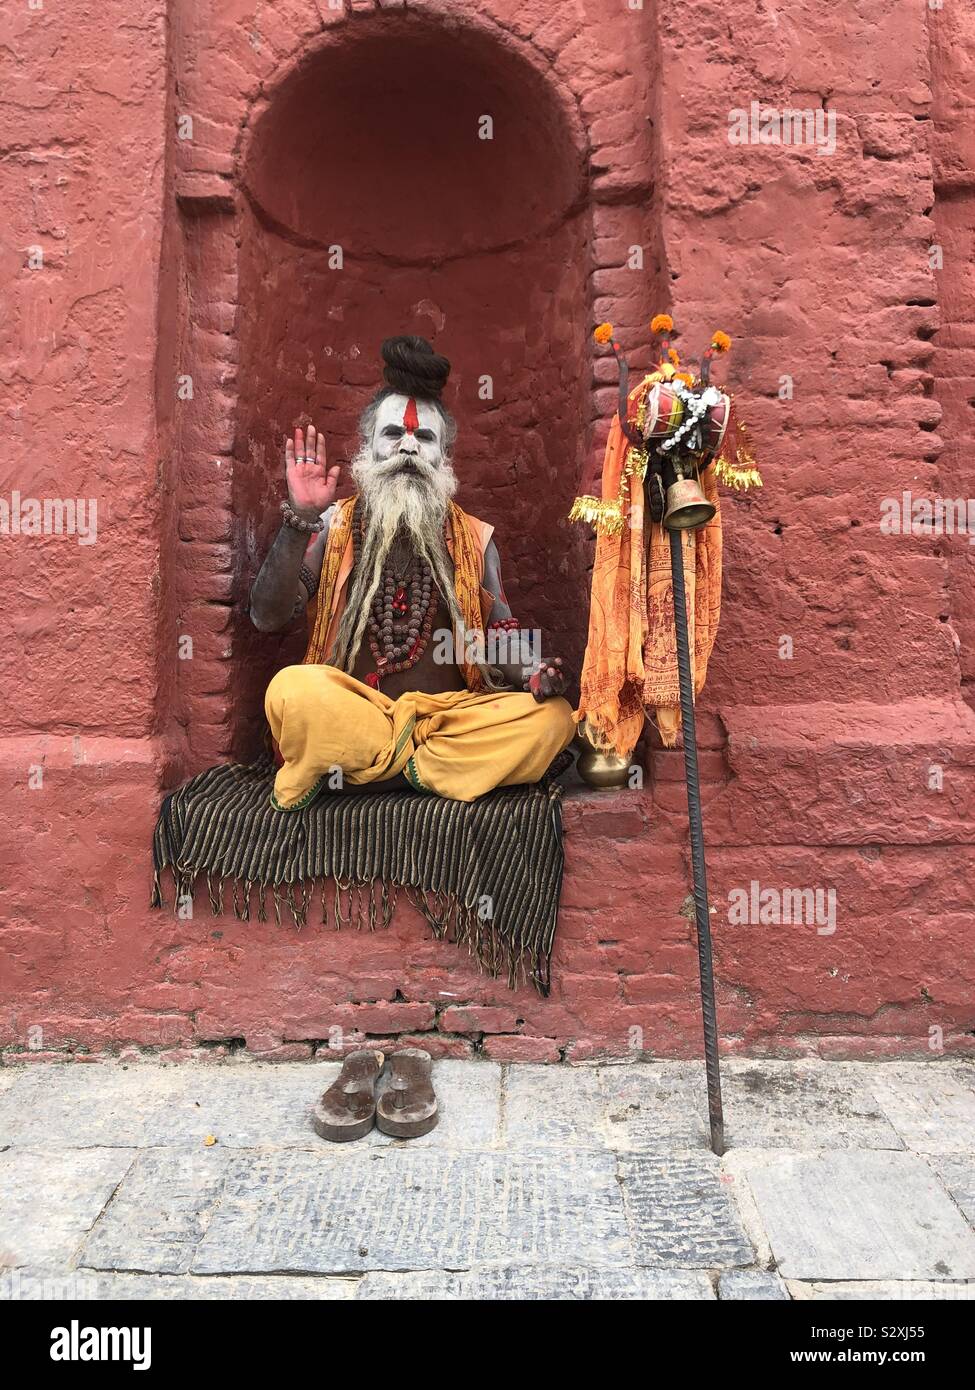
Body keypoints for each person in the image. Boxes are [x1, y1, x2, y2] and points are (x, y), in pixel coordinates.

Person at [249, 336, 575, 808]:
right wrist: (298, 518)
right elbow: (267, 616)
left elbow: (497, 635)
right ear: (368, 448)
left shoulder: (475, 539)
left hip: (447, 723)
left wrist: (534, 672)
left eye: (424, 438)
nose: (407, 447)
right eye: (392, 435)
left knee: (555, 719)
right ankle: (434, 774)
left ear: (443, 458)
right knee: (292, 691)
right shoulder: (331, 525)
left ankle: (376, 772)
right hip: (355, 713)